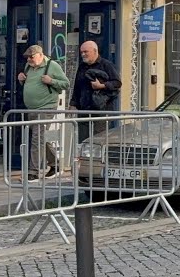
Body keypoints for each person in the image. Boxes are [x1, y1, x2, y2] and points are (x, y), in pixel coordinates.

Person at [17, 44, 69, 180]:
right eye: (27, 57)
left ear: (40, 55)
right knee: (39, 137)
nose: (29, 59)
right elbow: (31, 84)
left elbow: (66, 84)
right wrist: (22, 80)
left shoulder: (52, 66)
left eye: (31, 57)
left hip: (46, 106)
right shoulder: (28, 66)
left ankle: (33, 173)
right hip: (32, 108)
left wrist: (51, 81)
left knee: (36, 138)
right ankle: (55, 164)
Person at [71, 40, 122, 139]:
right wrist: (73, 104)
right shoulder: (82, 66)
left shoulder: (106, 65)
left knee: (97, 140)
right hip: (84, 110)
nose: (83, 54)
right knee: (83, 141)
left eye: (86, 52)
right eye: (81, 52)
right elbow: (77, 86)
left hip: (101, 111)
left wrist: (102, 86)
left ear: (95, 51)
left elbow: (117, 83)